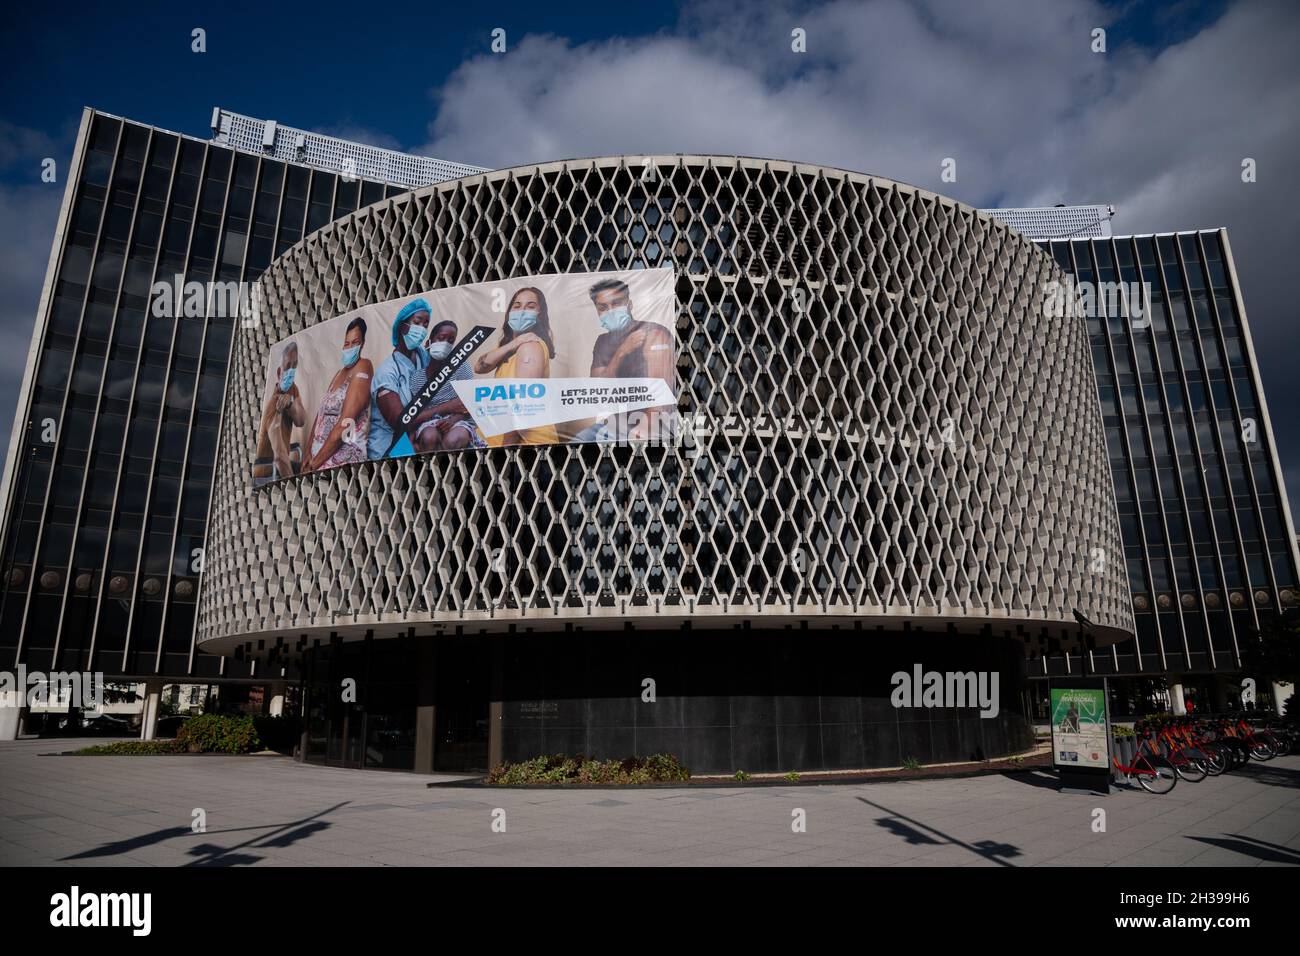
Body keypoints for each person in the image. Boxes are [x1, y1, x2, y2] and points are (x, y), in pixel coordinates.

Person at [574, 277, 673, 443]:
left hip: (652, 421)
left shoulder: (654, 333)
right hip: (616, 424)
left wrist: (643, 427)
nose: (610, 311)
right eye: (603, 308)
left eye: (617, 303)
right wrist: (621, 352)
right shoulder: (602, 342)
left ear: (630, 304)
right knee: (578, 441)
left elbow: (661, 397)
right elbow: (598, 390)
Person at [472, 286, 559, 446]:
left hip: (524, 445)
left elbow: (523, 408)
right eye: (517, 306)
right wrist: (514, 342)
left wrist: (505, 452)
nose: (522, 311)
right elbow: (479, 367)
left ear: (540, 314)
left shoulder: (530, 347)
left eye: (530, 306)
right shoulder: (513, 347)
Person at [302, 317, 374, 473]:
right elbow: (320, 416)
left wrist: (314, 465)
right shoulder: (338, 374)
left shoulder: (363, 367)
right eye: (347, 344)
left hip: (342, 461)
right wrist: (308, 452)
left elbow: (346, 423)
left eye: (355, 343)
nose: (350, 348)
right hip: (317, 457)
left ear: (362, 344)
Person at [407, 320, 484, 453]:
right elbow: (414, 415)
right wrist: (446, 408)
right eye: (441, 338)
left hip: (459, 420)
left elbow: (469, 405)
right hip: (430, 423)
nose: (445, 344)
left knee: (454, 439)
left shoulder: (461, 367)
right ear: (429, 342)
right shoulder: (416, 378)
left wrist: (452, 420)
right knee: (429, 437)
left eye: (450, 341)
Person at [369, 298, 432, 459]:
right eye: (417, 322)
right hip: (389, 448)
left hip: (417, 436)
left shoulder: (423, 356)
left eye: (426, 324)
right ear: (403, 326)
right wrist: (448, 407)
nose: (422, 329)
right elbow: (400, 422)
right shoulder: (387, 372)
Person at [252, 341, 306, 486]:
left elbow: (301, 420)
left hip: (283, 462)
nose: (291, 371)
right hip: (267, 474)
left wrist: (290, 403)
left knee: (311, 466)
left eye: (294, 366)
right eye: (288, 366)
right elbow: (279, 458)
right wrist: (294, 489)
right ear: (279, 372)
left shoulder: (292, 389)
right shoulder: (273, 405)